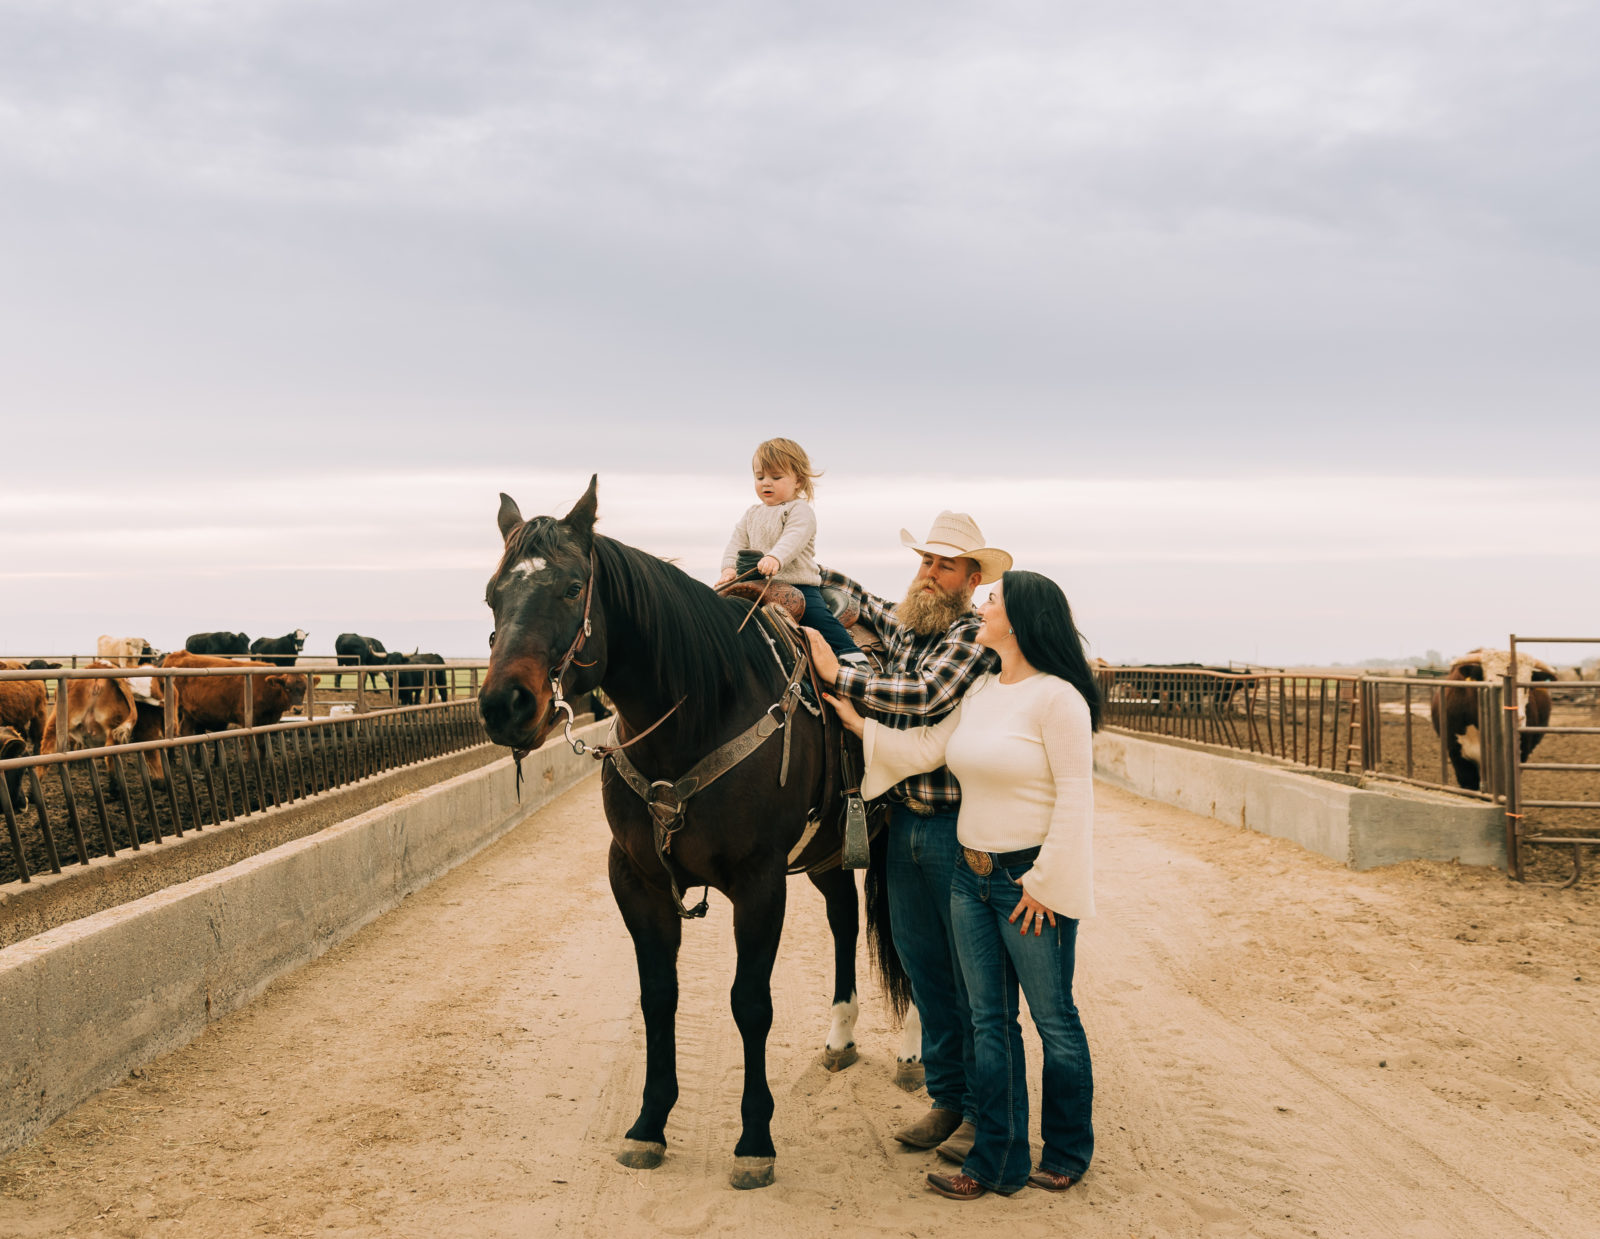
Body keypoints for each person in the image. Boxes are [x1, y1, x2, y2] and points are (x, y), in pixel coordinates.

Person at [823, 570, 1101, 1201]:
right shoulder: (982, 690)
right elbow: (927, 748)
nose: (980, 607)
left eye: (992, 601)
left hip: (1027, 882)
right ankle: (996, 1162)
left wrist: (1045, 885)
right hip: (969, 877)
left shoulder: (1059, 699)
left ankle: (1065, 1151)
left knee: (1055, 1021)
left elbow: (1078, 799)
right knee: (991, 1023)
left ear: (1021, 619)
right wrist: (859, 724)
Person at [803, 512, 1009, 1161]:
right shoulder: (917, 630)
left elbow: (920, 695)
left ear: (972, 578)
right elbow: (867, 610)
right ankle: (948, 1099)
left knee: (972, 979)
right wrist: (795, 574)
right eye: (925, 560)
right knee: (925, 972)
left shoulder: (972, 637)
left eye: (944, 564)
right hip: (909, 824)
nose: (928, 572)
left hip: (957, 829)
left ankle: (981, 1112)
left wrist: (839, 676)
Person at [717, 438, 863, 661]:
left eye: (776, 477)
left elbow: (793, 538)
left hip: (798, 586)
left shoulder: (799, 510)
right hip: (757, 585)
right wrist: (729, 569)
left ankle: (853, 657)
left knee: (819, 619)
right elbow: (736, 543)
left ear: (798, 481)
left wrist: (775, 557)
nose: (767, 483)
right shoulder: (751, 513)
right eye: (760, 477)